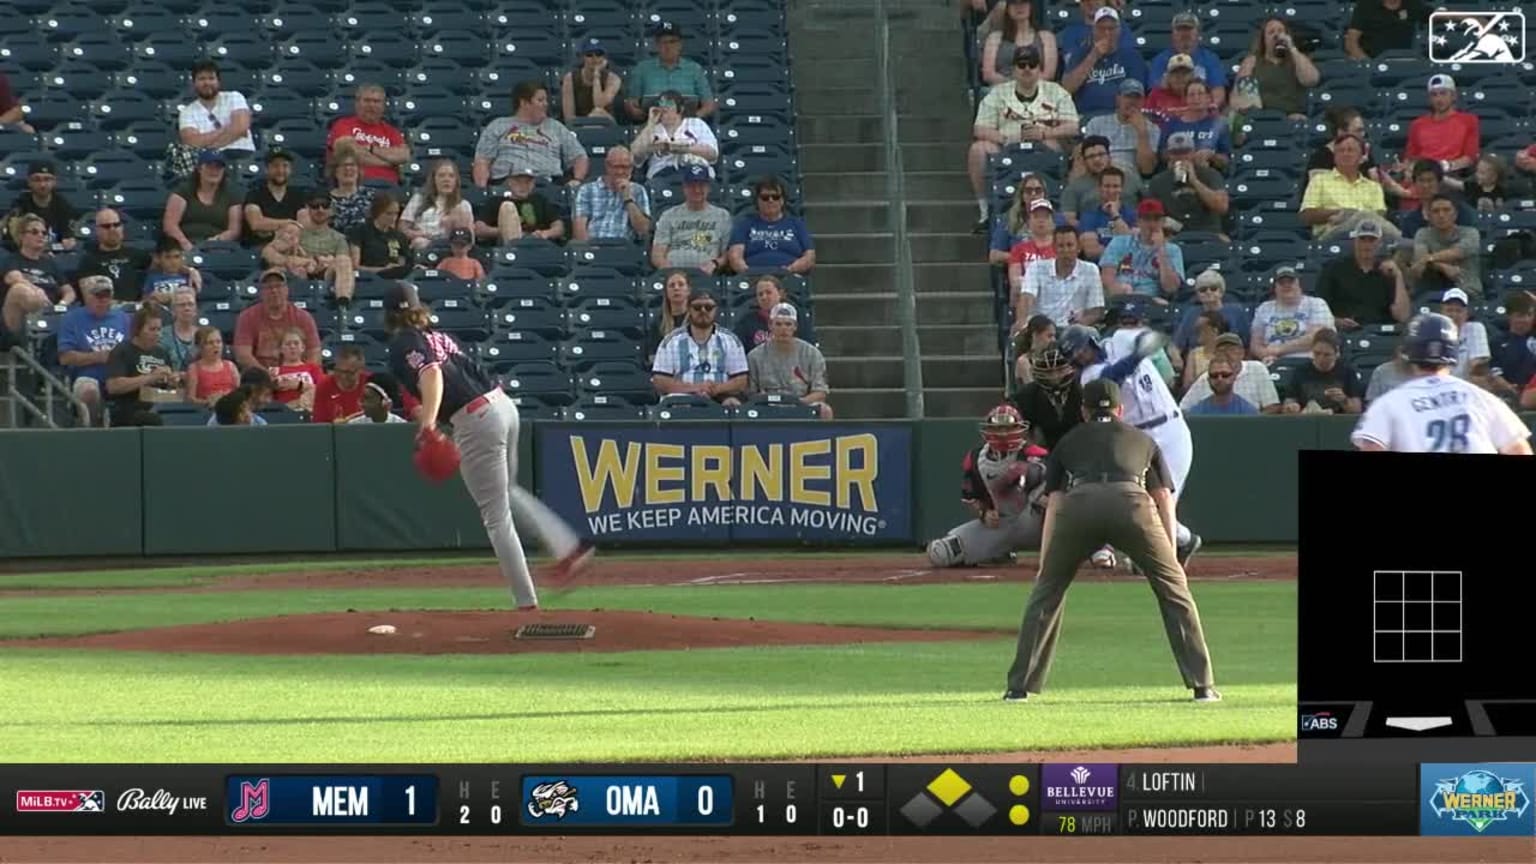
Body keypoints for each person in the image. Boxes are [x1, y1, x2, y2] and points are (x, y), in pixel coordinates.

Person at [1003, 378, 1220, 703]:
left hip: (1080, 506)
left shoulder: (1069, 440)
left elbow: (1056, 504)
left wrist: (1046, 562)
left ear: (1084, 411)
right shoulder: (1143, 439)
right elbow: (1162, 498)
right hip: (1132, 504)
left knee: (1046, 593)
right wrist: (1172, 557)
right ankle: (1203, 687)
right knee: (1175, 592)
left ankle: (1018, 689)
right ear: (1120, 409)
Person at [384, 281, 594, 610]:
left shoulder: (404, 343)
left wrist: (427, 424)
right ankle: (567, 547)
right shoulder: (438, 336)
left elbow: (432, 376)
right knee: (506, 491)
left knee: (495, 517)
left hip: (476, 419)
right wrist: (427, 416)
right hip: (502, 407)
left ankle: (526, 604)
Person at [1060, 324, 1203, 567]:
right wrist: (1137, 356)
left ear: (1092, 341)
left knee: (1164, 497)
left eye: (1082, 349)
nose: (1081, 356)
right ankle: (1184, 540)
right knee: (1140, 503)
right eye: (1074, 355)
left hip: (1171, 429)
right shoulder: (1088, 377)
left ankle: (1160, 555)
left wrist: (1146, 342)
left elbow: (1150, 336)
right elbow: (1112, 377)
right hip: (1138, 438)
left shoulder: (1119, 339)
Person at [1350, 313, 1532, 454]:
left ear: (1409, 351)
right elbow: (1519, 449)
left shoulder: (1389, 403)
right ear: (1453, 352)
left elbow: (1371, 447)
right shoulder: (1482, 398)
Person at [926, 404, 1050, 568]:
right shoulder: (976, 459)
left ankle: (1087, 547)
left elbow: (1060, 492)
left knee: (1043, 495)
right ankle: (999, 552)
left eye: (1008, 428)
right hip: (1002, 524)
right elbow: (972, 498)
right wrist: (983, 513)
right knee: (940, 553)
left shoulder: (1037, 455)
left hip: (1039, 523)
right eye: (998, 429)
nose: (1003, 434)